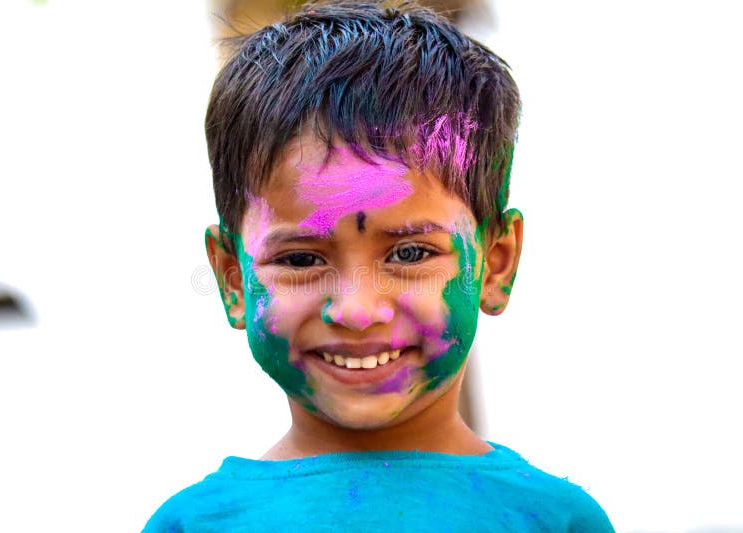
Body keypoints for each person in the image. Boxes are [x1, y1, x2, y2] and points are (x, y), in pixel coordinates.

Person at [143, 1, 614, 531]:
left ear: (496, 263)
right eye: (300, 259)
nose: (357, 311)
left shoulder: (555, 521)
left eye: (411, 254)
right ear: (233, 279)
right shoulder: (196, 525)